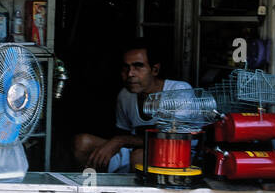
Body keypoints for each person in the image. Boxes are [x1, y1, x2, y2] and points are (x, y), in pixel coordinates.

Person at [72, 41, 192, 172]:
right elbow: (123, 132)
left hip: (175, 155)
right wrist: (118, 142)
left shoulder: (178, 91)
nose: (130, 74)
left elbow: (173, 138)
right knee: (82, 143)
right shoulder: (125, 95)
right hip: (133, 150)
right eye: (126, 67)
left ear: (155, 70)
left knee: (139, 156)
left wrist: (120, 141)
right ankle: (92, 189)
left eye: (138, 66)